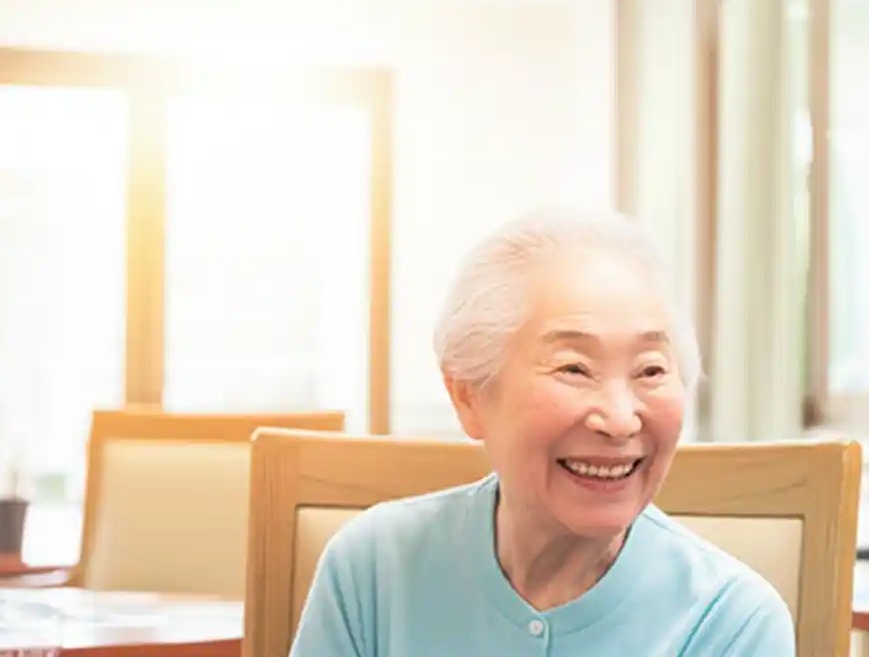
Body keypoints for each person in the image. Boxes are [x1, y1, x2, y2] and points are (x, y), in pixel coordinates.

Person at [291, 209, 794, 656]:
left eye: (650, 370)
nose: (620, 419)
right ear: (469, 396)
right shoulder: (376, 569)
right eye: (574, 368)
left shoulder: (730, 622)